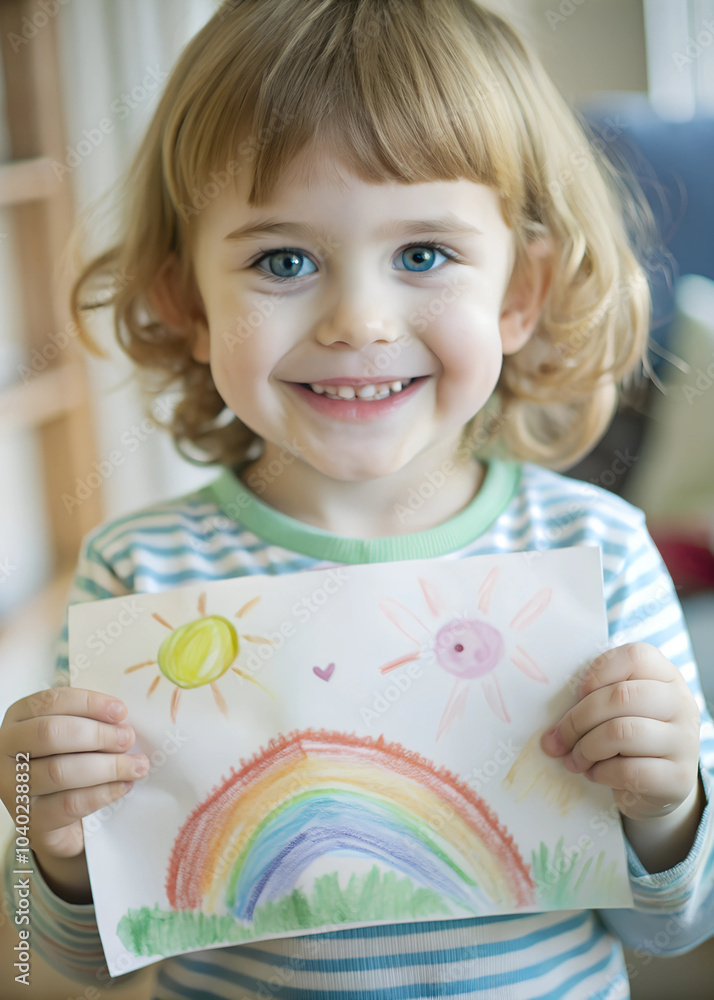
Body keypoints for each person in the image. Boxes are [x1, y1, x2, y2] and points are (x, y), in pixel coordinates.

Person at [2, 1, 713, 996]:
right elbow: (68, 954)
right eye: (283, 260)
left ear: (520, 292)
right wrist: (55, 846)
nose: (358, 320)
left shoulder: (599, 550)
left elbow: (684, 927)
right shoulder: (141, 574)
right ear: (187, 300)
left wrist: (667, 805)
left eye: (423, 254)